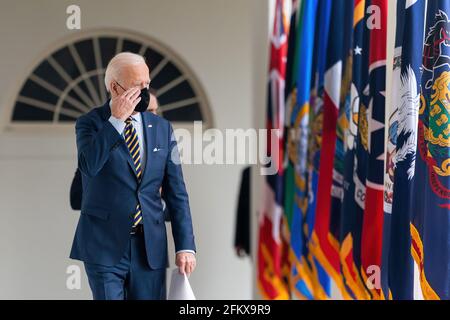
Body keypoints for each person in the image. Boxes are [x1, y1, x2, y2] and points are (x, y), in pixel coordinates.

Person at [69, 52, 196, 300]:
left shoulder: (161, 128)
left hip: (150, 246)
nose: (145, 90)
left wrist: (185, 245)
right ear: (115, 88)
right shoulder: (90, 123)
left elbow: (177, 192)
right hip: (104, 246)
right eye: (138, 85)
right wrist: (116, 120)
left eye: (147, 83)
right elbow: (88, 166)